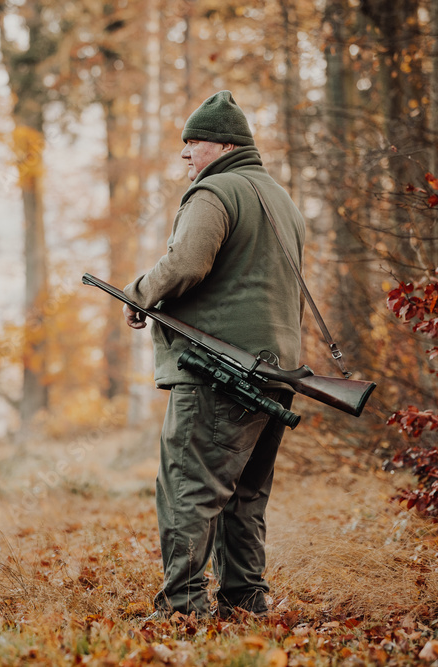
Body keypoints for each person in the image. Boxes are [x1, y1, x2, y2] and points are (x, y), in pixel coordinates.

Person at [122, 90, 305, 619]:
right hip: (277, 370)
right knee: (245, 495)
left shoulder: (214, 191)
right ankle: (245, 600)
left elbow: (185, 264)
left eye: (193, 142)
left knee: (188, 487)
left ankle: (182, 608)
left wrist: (139, 292)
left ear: (224, 145)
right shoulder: (281, 199)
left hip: (220, 373)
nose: (185, 153)